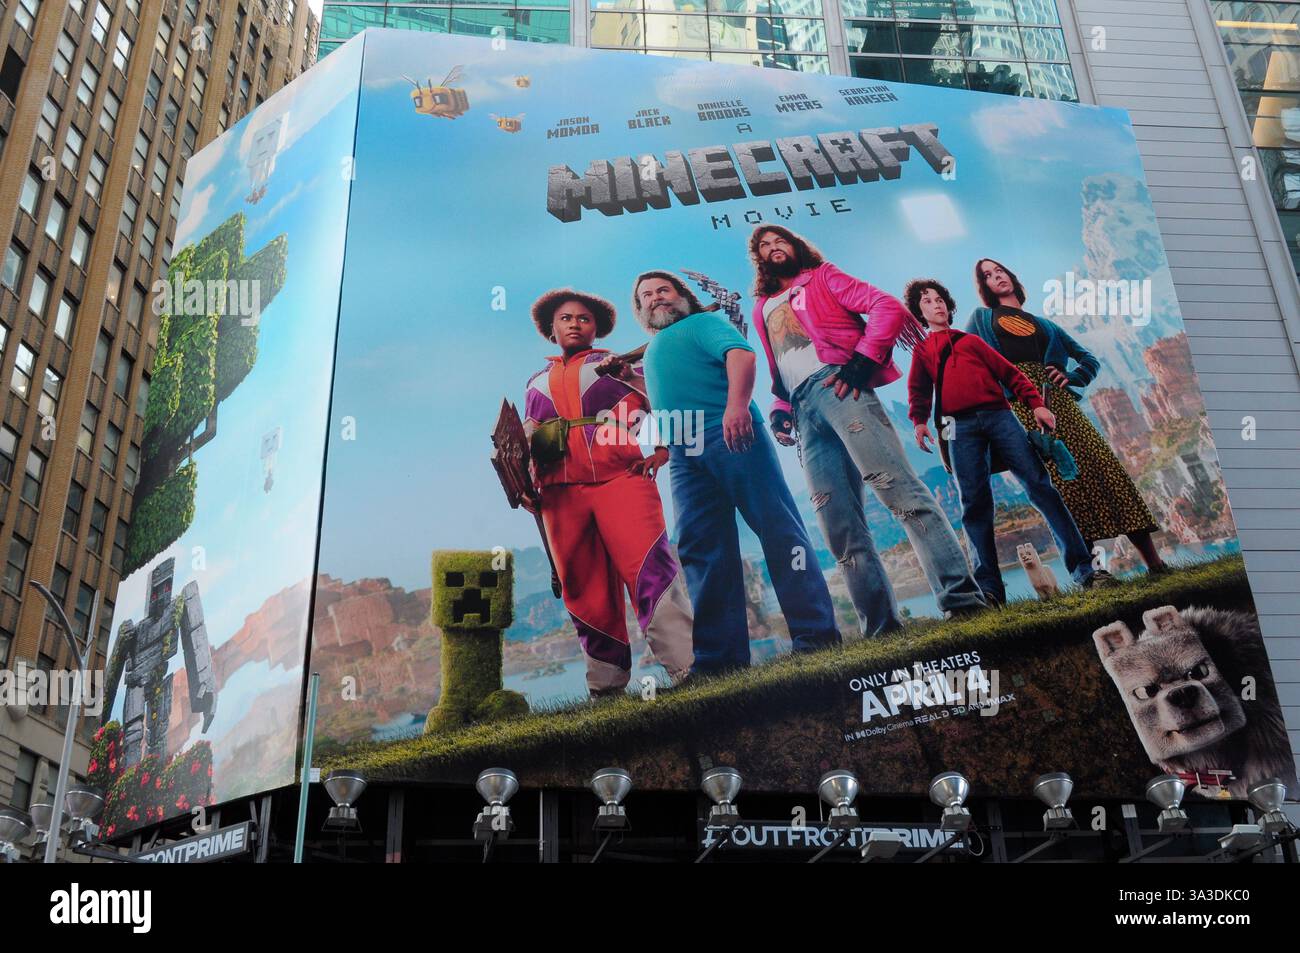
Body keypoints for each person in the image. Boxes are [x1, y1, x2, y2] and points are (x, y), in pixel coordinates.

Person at [747, 225, 986, 634]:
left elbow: (886, 306)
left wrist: (863, 360)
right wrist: (781, 406)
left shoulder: (823, 276)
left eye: (779, 241)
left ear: (795, 245)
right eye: (764, 246)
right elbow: (780, 364)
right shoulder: (763, 307)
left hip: (841, 386)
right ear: (760, 259)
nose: (773, 248)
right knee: (837, 524)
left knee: (900, 493)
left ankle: (962, 601)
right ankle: (880, 627)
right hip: (804, 410)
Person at [619, 269, 840, 674]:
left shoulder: (703, 323)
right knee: (701, 547)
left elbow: (741, 356)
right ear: (641, 309)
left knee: (778, 529)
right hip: (686, 454)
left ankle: (817, 635)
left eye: (663, 290)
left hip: (728, 432)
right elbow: (666, 395)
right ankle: (720, 660)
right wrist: (634, 383)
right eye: (646, 295)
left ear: (681, 295)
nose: (655, 298)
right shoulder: (653, 350)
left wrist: (736, 407)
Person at [522, 289, 694, 698]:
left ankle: (687, 669)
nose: (575, 324)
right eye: (566, 318)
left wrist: (663, 449)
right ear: (552, 329)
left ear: (596, 327)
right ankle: (606, 687)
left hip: (623, 481)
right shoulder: (535, 383)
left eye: (584, 318)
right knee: (585, 590)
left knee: (653, 573)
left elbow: (660, 401)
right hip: (560, 496)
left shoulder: (614, 365)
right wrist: (526, 487)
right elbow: (527, 440)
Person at [905, 278, 1112, 604]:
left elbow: (1011, 375)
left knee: (1040, 485)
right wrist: (918, 422)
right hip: (957, 427)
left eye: (940, 299)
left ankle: (1086, 570)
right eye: (928, 301)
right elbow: (919, 391)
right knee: (973, 503)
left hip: (1000, 417)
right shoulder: (922, 350)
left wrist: (1038, 405)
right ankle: (989, 590)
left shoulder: (972, 342)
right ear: (920, 312)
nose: (937, 304)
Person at [965, 258, 1168, 573]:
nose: (996, 277)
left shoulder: (1046, 325)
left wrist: (1074, 376)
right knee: (1060, 485)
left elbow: (1088, 359)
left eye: (1000, 271)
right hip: (1020, 409)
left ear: (1011, 276)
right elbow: (967, 362)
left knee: (1105, 471)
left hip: (1061, 405)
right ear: (985, 287)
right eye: (988, 276)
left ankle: (1154, 564)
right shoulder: (982, 319)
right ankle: (1090, 572)